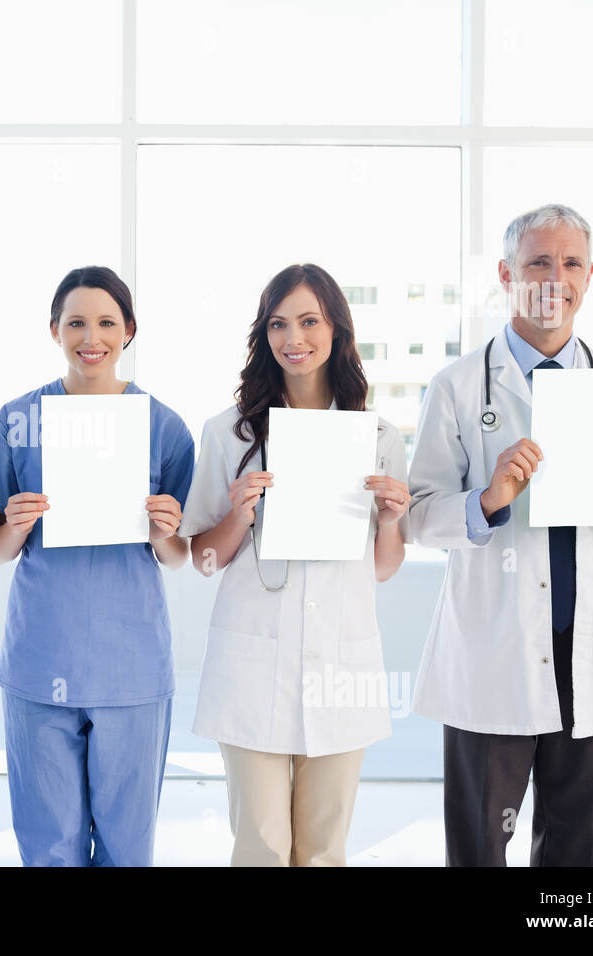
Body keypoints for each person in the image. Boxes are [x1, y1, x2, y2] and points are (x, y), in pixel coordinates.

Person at [409, 203, 593, 866]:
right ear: (506, 274)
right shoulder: (455, 386)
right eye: (537, 262)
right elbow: (419, 514)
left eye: (570, 263)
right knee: (478, 848)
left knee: (577, 853)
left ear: (589, 278)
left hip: (590, 657)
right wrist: (488, 498)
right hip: (493, 656)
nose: (553, 277)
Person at [179, 263, 409, 867]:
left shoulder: (378, 436)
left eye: (309, 321)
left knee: (323, 849)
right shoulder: (228, 434)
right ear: (264, 335)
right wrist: (239, 515)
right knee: (262, 846)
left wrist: (388, 520)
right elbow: (202, 559)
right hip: (252, 667)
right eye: (279, 324)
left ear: (336, 330)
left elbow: (384, 567)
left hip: (342, 664)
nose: (294, 338)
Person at [0, 266, 194, 866]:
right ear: (54, 330)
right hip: (41, 656)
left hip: (132, 667)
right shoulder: (17, 421)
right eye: (75, 322)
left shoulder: (164, 428)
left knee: (128, 847)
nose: (90, 336)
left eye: (106, 322)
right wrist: (15, 525)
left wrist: (164, 532)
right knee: (49, 844)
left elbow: (178, 556)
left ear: (129, 330)